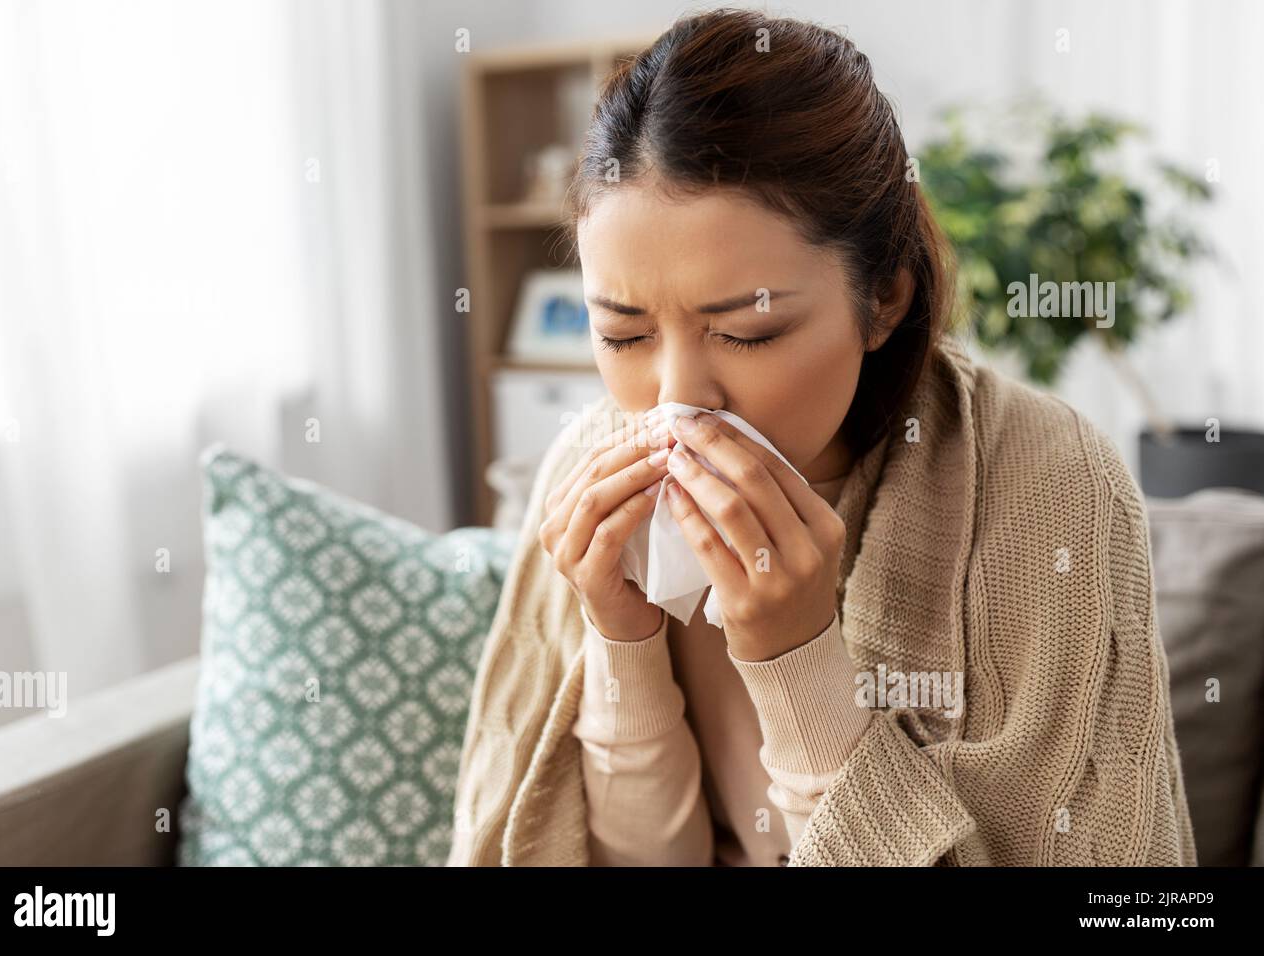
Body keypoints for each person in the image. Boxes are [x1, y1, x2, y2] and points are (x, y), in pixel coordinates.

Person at [447, 8, 1196, 867]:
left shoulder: (1053, 480)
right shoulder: (588, 469)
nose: (678, 398)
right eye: (623, 335)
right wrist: (623, 640)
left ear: (884, 299)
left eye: (748, 333)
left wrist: (797, 659)